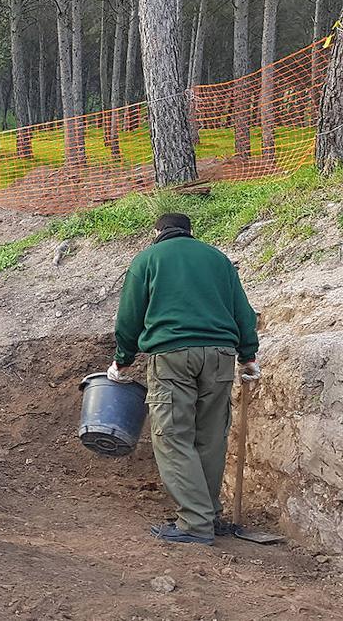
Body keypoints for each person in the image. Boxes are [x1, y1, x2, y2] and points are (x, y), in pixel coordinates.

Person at [108, 212, 260, 545]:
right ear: (190, 232)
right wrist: (248, 355)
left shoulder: (147, 260)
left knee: (173, 437)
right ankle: (208, 511)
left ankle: (195, 523)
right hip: (220, 355)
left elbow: (129, 317)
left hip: (173, 356)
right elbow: (243, 311)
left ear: (157, 232)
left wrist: (122, 361)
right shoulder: (218, 259)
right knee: (210, 436)